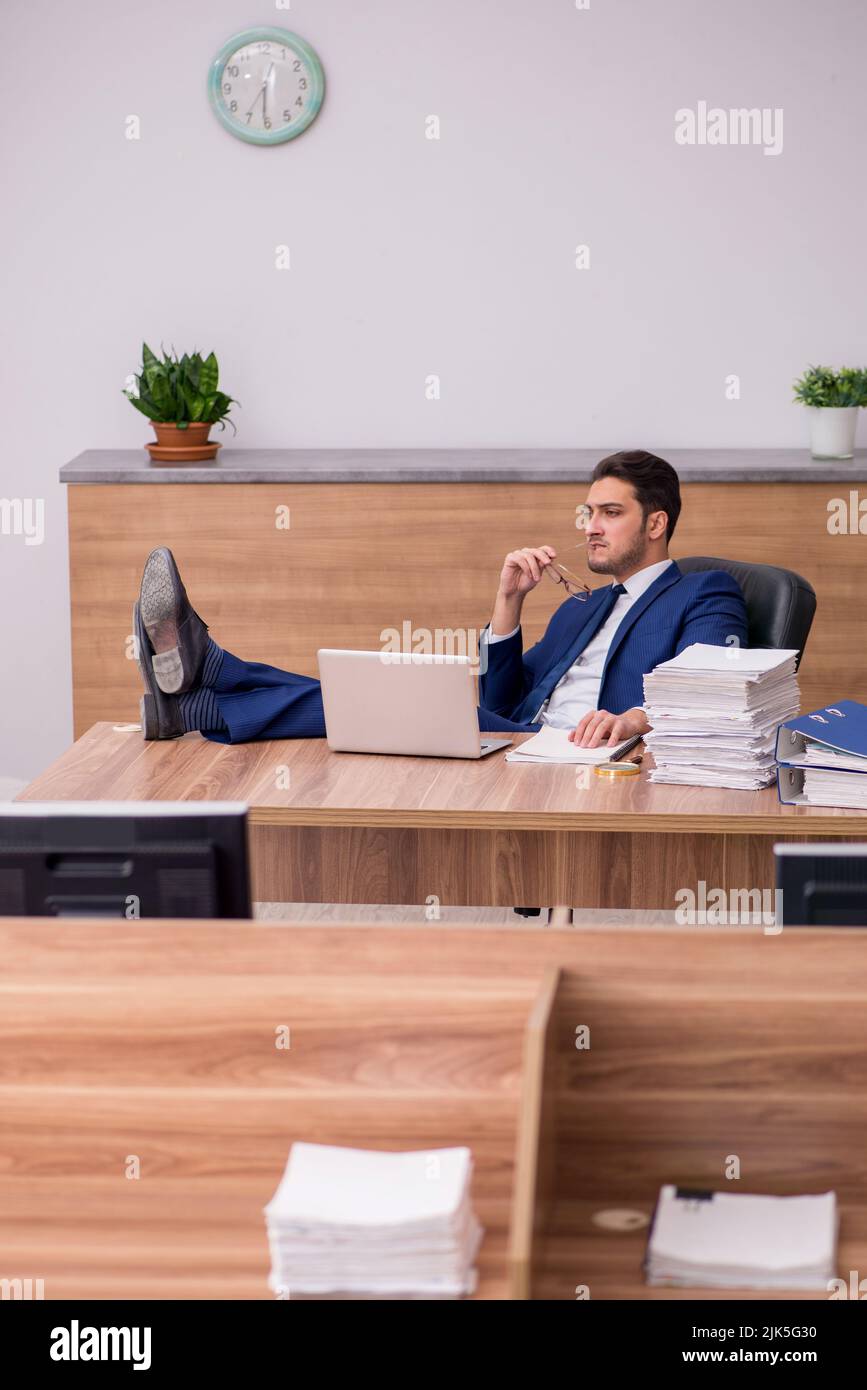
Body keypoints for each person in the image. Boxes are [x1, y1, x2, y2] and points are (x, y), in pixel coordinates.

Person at [132, 449, 748, 747]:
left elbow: (711, 684)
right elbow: (502, 699)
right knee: (382, 690)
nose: (590, 526)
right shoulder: (581, 606)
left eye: (611, 514)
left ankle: (209, 680)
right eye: (589, 512)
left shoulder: (702, 590)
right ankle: (193, 706)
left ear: (657, 523)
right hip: (520, 743)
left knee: (381, 700)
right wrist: (507, 606)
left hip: (594, 756)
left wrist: (634, 719)